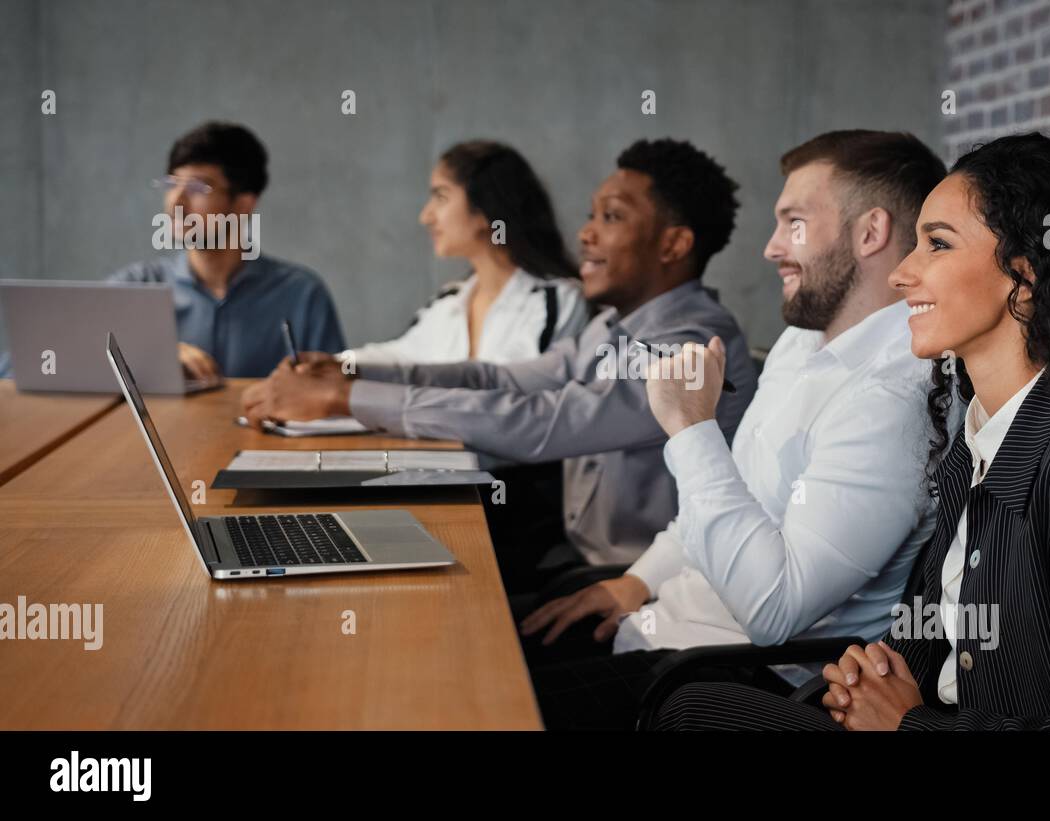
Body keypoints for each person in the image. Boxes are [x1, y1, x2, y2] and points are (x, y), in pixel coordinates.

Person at [652, 132, 1050, 731]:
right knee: (693, 707)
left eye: (936, 245)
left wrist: (908, 724)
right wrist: (864, 680)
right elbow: (923, 639)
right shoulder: (977, 435)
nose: (901, 275)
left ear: (1025, 277)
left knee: (692, 710)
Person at [518, 131, 949, 730]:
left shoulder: (892, 399)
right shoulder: (804, 340)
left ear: (870, 232)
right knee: (474, 639)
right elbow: (723, 503)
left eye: (793, 223)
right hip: (661, 626)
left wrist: (691, 430)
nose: (771, 248)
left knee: (472, 704)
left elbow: (775, 612)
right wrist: (636, 582)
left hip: (722, 679)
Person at [241, 138, 758, 582]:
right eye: (591, 214)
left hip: (641, 582)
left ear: (674, 244)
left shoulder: (690, 344)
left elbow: (545, 422)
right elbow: (493, 376)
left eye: (612, 217)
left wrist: (345, 397)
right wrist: (350, 373)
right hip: (576, 557)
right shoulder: (611, 325)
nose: (585, 233)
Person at [111, 121, 345, 378]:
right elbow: (72, 351)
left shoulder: (302, 295)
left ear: (243, 204)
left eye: (197, 187)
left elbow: (330, 394)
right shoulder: (137, 285)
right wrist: (158, 354)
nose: (176, 201)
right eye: (171, 184)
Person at [345, 140, 587, 367]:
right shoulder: (448, 303)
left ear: (485, 207)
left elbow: (508, 392)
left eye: (441, 196)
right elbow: (399, 357)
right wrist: (330, 364)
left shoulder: (558, 302)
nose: (426, 216)